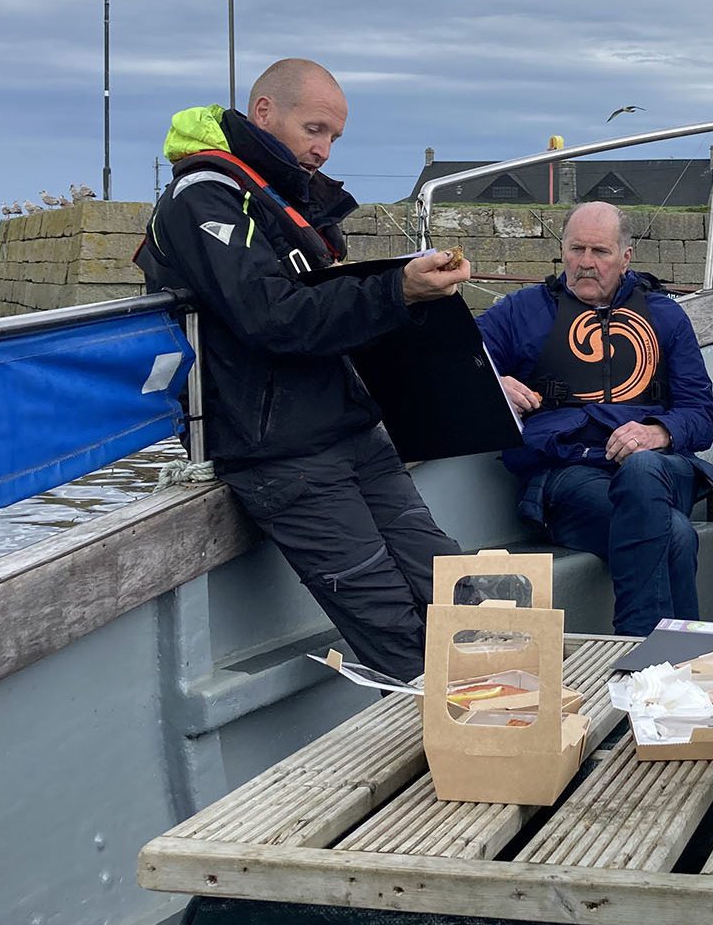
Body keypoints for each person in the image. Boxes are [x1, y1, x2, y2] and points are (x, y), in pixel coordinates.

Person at [136, 58, 473, 680]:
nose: (322, 150)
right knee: (392, 627)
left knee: (455, 588)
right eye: (314, 129)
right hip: (280, 454)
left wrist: (404, 292)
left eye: (333, 138)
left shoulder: (278, 195)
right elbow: (272, 316)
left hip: (351, 430)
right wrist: (396, 290)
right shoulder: (203, 197)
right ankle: (460, 766)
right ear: (264, 112)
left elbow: (321, 301)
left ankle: (506, 739)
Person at [477, 201, 713, 636]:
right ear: (563, 252)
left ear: (625, 258)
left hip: (662, 469)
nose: (586, 263)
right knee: (677, 535)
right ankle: (672, 660)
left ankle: (636, 650)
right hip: (568, 476)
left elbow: (701, 414)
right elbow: (458, 362)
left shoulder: (665, 316)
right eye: (576, 250)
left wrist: (660, 431)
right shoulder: (521, 312)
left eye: (600, 252)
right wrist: (494, 385)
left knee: (645, 468)